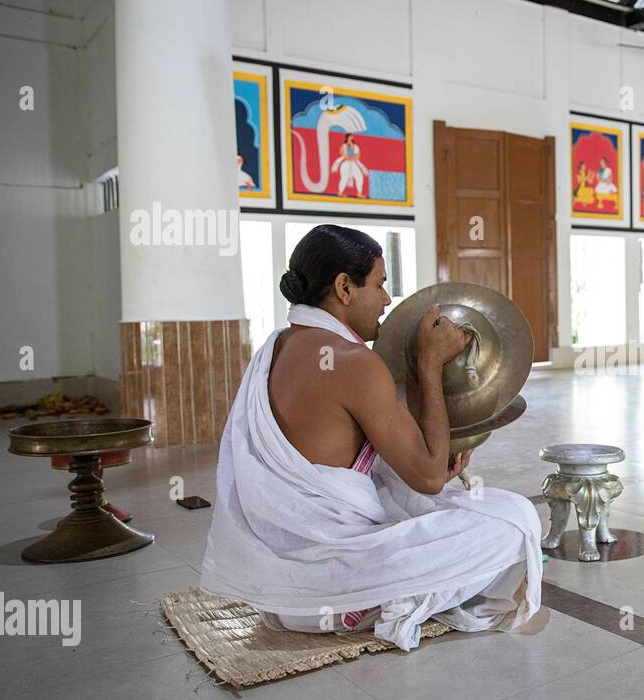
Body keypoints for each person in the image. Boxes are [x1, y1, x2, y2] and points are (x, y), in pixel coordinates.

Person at [200, 224, 544, 649]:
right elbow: (430, 476)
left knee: (433, 503)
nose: (386, 299)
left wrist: (430, 455)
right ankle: (399, 600)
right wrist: (429, 363)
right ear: (344, 287)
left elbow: (347, 460)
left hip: (284, 589)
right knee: (515, 519)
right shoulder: (350, 362)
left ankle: (390, 587)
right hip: (341, 591)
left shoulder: (278, 346)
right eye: (380, 284)